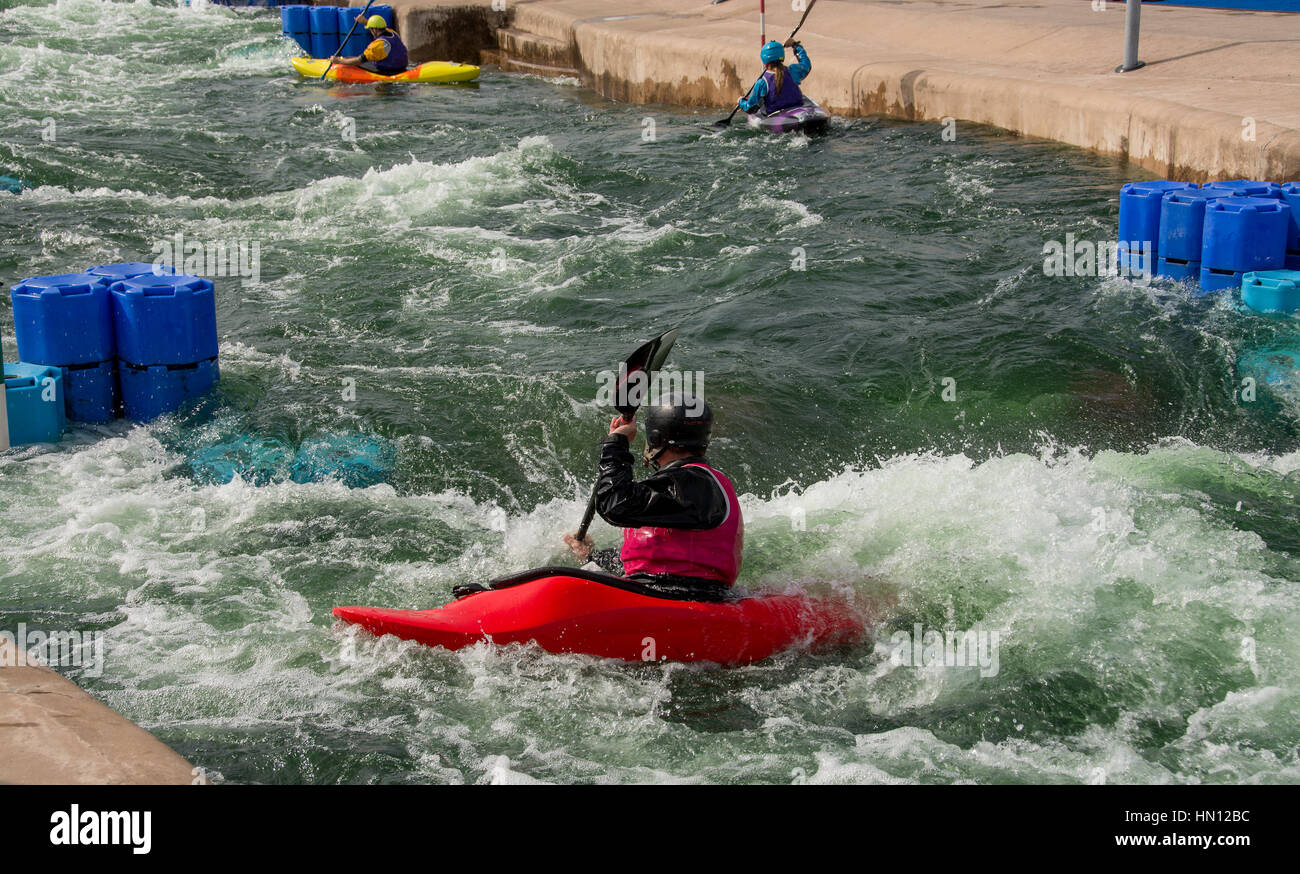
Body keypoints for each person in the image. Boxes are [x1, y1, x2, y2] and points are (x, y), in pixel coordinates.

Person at [563, 393, 744, 599]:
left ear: (655, 439)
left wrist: (615, 444)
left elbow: (614, 504)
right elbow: (652, 558)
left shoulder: (696, 484)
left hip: (682, 597)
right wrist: (592, 556)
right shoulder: (689, 487)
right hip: (663, 592)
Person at [738, 38, 810, 116]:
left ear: (764, 61)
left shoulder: (762, 82)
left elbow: (750, 108)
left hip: (777, 117)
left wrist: (741, 101)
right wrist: (795, 45)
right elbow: (806, 64)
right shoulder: (792, 71)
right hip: (798, 111)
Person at [331, 14, 408, 75]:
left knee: (350, 59)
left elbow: (358, 61)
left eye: (370, 29)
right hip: (402, 67)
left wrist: (339, 61)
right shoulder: (393, 33)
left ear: (374, 30)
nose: (370, 31)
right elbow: (376, 26)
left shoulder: (378, 45)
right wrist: (364, 21)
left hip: (387, 71)